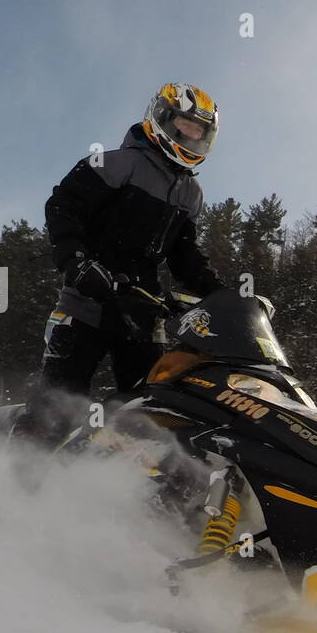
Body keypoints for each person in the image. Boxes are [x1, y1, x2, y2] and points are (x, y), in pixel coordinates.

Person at [19, 82, 227, 444]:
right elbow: (63, 206)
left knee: (151, 412)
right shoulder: (116, 163)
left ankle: (119, 474)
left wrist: (221, 296)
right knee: (56, 410)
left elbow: (185, 255)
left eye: (199, 132)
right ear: (162, 118)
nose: (191, 137)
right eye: (185, 126)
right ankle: (10, 471)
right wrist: (77, 262)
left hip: (142, 315)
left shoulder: (191, 193)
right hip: (86, 303)